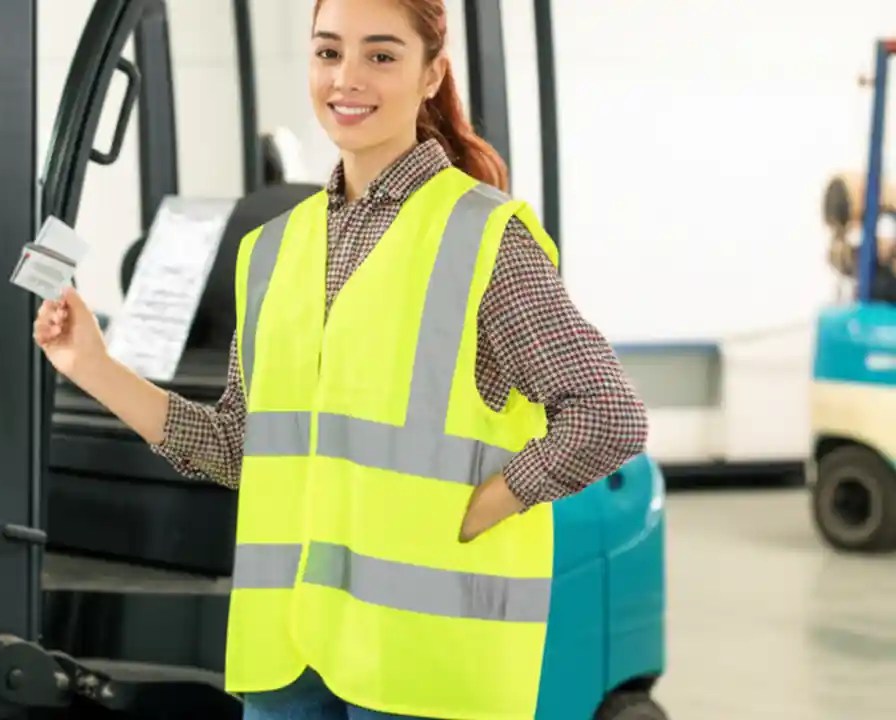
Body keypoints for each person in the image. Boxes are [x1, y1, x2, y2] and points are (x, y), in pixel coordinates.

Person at [33, 0, 649, 717]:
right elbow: (239, 449)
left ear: (431, 75)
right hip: (288, 654)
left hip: (422, 664)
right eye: (329, 53)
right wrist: (92, 367)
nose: (347, 78)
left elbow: (609, 415)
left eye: (381, 56)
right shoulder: (272, 250)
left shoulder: (485, 238)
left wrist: (488, 505)